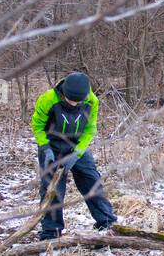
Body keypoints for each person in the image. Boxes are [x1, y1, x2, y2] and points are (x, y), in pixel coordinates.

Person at [31, 71, 117, 240]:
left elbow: (89, 129)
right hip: (52, 145)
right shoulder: (48, 99)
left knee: (91, 181)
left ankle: (106, 222)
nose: (74, 103)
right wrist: (45, 148)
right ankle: (51, 232)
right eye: (70, 100)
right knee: (52, 189)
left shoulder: (92, 101)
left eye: (78, 101)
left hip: (77, 145)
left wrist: (77, 153)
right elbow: (37, 125)